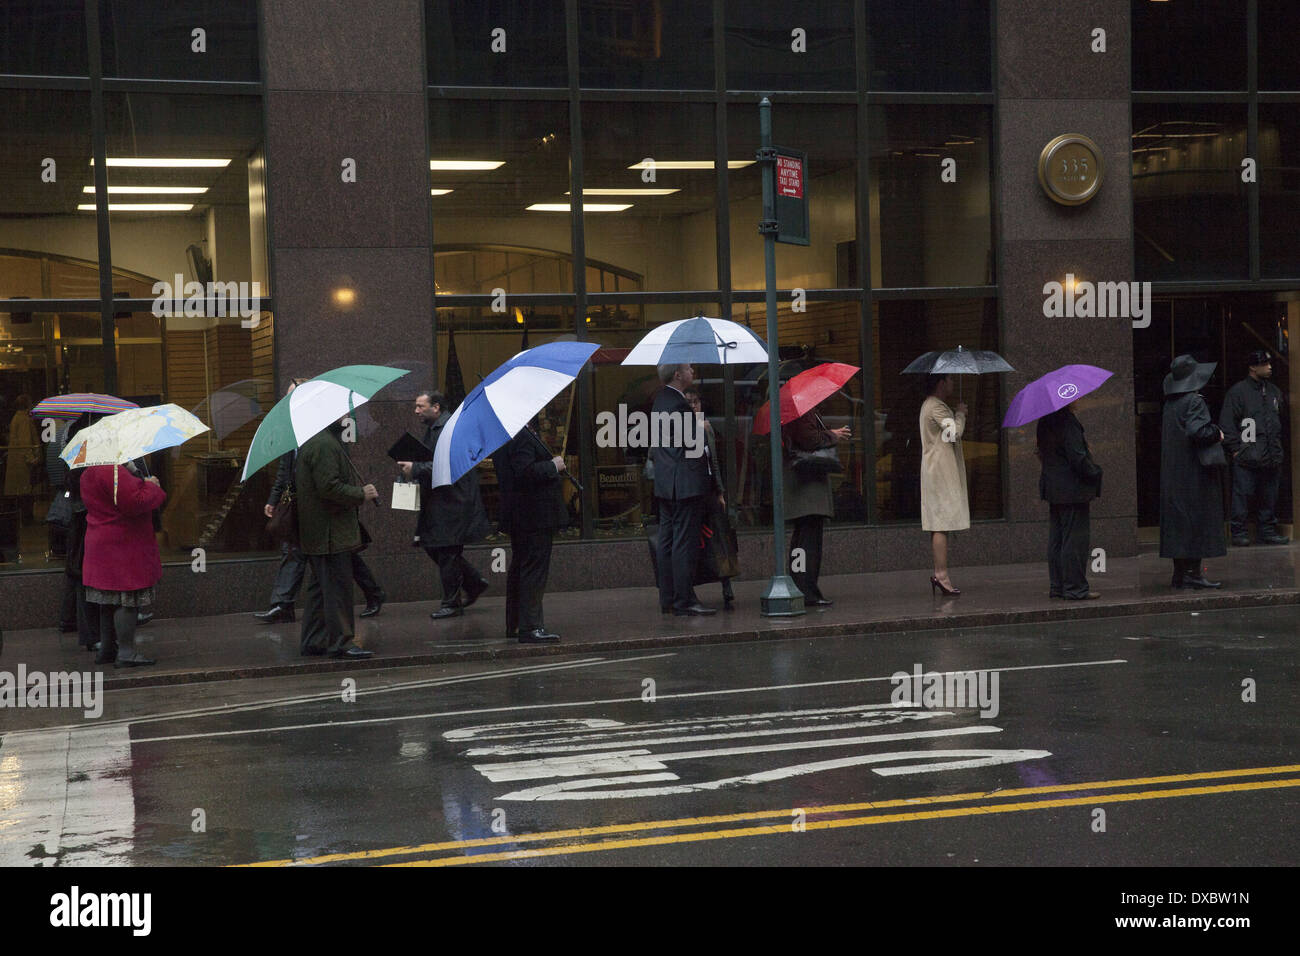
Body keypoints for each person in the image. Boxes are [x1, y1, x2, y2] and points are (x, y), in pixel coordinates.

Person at [253, 379, 386, 623]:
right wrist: (274, 499)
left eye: (295, 396)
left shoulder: (326, 436)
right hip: (303, 506)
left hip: (327, 511)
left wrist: (358, 495)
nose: (289, 403)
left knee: (341, 557)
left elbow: (331, 480)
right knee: (297, 553)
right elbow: (286, 469)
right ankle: (284, 605)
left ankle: (372, 593)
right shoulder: (291, 432)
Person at [398, 391, 492, 621]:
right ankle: (473, 582)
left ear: (436, 407)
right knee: (435, 546)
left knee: (447, 550)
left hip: (453, 502)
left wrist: (416, 468)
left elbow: (449, 464)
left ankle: (452, 603)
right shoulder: (436, 428)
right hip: (444, 501)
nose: (416, 410)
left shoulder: (449, 429)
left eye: (421, 406)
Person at [294, 418, 378, 659]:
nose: (346, 418)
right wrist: (361, 493)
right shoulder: (324, 445)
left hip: (320, 534)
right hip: (330, 534)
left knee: (320, 591)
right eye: (341, 414)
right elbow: (329, 488)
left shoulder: (317, 441)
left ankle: (313, 640)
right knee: (337, 590)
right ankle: (341, 642)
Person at [80, 461, 166, 667]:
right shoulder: (114, 471)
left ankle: (108, 649)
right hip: (123, 544)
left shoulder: (89, 471)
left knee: (108, 600)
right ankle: (126, 653)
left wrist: (135, 474)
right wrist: (151, 485)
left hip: (100, 540)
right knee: (127, 599)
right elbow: (134, 503)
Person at [493, 421, 567, 643]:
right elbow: (525, 472)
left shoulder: (504, 434)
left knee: (521, 569)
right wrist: (553, 466)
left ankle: (516, 624)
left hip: (522, 515)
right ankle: (531, 627)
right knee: (533, 571)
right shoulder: (521, 435)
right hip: (534, 515)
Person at [652, 363, 715, 616]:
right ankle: (684, 599)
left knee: (667, 542)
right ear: (677, 374)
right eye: (689, 368)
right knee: (683, 543)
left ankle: (668, 598)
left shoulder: (660, 399)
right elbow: (691, 444)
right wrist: (703, 429)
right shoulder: (678, 404)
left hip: (666, 484)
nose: (693, 371)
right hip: (684, 484)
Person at [1160, 354, 1227, 589]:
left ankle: (1180, 573)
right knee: (1197, 520)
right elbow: (1198, 431)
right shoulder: (1194, 401)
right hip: (1194, 473)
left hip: (1174, 474)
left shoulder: (1171, 403)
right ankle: (1192, 573)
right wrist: (1216, 433)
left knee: (1179, 524)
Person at [782, 407, 851, 608]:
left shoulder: (800, 412)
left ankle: (800, 584)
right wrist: (833, 434)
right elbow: (809, 439)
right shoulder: (802, 412)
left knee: (801, 541)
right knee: (807, 543)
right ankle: (806, 589)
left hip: (804, 487)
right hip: (807, 487)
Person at [1220, 349, 1288, 547]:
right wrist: (1235, 449)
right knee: (1242, 495)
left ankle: (1267, 531)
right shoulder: (1238, 392)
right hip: (1247, 455)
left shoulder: (1274, 391)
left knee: (1269, 496)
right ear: (1252, 367)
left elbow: (1280, 419)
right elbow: (1227, 424)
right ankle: (1239, 532)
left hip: (1271, 454)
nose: (1270, 367)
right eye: (1265, 364)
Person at [1037, 405, 1103, 600]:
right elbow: (1078, 458)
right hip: (1072, 489)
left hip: (1053, 487)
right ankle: (1075, 587)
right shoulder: (1068, 422)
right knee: (1074, 540)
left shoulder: (1045, 420)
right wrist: (1095, 471)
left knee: (1057, 539)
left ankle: (1058, 586)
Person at [684, 386, 736, 608]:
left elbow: (713, 460)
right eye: (689, 403)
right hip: (690, 493)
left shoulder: (707, 427)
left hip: (708, 490)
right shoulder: (679, 428)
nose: (694, 406)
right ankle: (689, 589)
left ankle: (727, 585)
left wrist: (720, 491)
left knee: (720, 537)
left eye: (696, 402)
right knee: (692, 540)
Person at [920, 374, 969, 595]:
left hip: (937, 470)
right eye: (950, 380)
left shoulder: (931, 405)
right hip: (939, 472)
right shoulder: (936, 406)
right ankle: (941, 575)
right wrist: (960, 414)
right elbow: (953, 432)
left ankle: (941, 574)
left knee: (940, 523)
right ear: (941, 383)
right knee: (940, 523)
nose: (953, 384)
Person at [4, 395, 39, 521]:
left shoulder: (16, 418)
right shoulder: (24, 419)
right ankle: (27, 518)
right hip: (22, 463)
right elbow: (26, 442)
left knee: (16, 491)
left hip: (15, 460)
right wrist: (32, 459)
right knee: (25, 490)